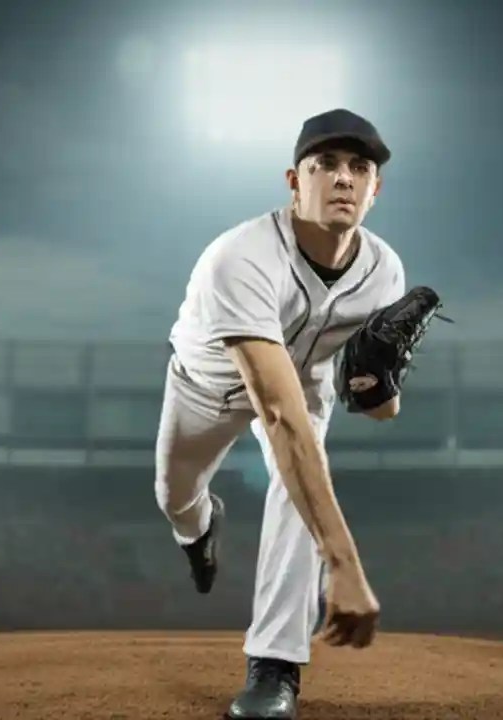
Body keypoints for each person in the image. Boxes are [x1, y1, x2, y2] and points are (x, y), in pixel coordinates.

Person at [154, 108, 407, 720]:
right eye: (325, 165)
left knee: (301, 483)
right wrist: (343, 565)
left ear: (376, 189)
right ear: (295, 181)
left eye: (359, 167)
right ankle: (198, 531)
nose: (343, 178)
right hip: (206, 386)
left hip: (304, 382)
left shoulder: (385, 272)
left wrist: (376, 385)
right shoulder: (240, 257)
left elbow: (380, 410)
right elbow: (277, 415)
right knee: (174, 493)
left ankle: (274, 667)